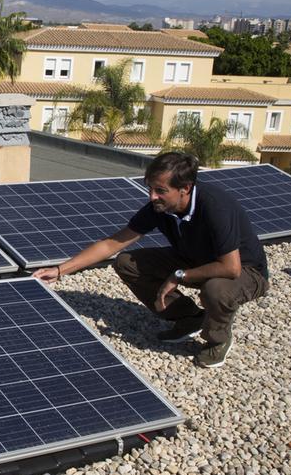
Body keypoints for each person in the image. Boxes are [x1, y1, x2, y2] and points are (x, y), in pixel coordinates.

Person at [32, 152, 268, 369]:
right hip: (194, 259)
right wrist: (60, 270)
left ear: (185, 188)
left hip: (245, 271)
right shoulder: (160, 207)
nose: (152, 196)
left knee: (215, 289)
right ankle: (189, 318)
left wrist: (179, 276)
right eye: (150, 188)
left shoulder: (215, 207)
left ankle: (217, 338)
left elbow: (231, 267)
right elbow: (112, 244)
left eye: (160, 190)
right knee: (127, 263)